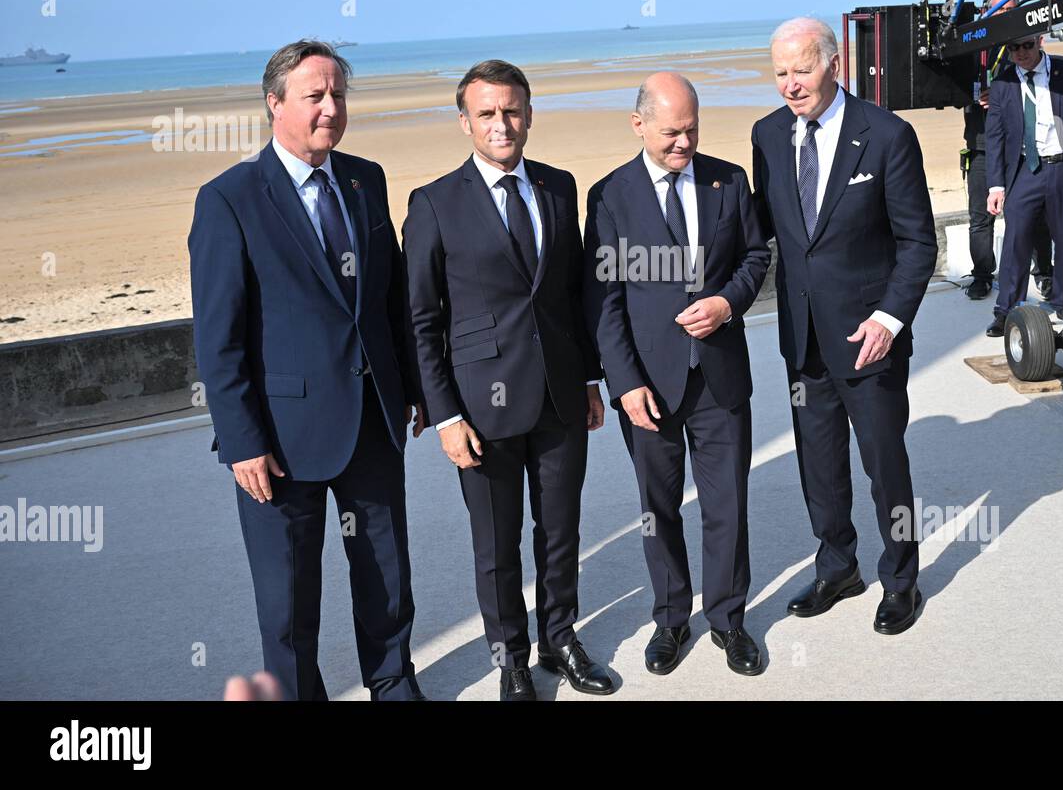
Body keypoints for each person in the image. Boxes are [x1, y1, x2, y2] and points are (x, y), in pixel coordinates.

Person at [189, 39, 424, 701]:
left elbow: (389, 297)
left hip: (373, 419)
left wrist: (409, 388)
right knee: (289, 600)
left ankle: (392, 680)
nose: (330, 108)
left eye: (338, 95)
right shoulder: (229, 199)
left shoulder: (365, 179)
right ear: (274, 105)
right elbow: (219, 339)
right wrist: (242, 443)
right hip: (279, 438)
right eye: (314, 96)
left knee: (385, 573)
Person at [403, 59, 610, 702]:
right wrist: (443, 415)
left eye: (512, 110)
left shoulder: (558, 185)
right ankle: (511, 660)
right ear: (464, 120)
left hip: (560, 395)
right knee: (496, 544)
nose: (502, 124)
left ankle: (560, 639)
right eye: (487, 113)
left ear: (529, 113)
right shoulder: (434, 203)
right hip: (479, 407)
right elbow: (421, 320)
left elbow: (574, 294)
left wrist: (590, 380)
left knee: (561, 527)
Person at [751, 18, 937, 635]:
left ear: (836, 64)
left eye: (800, 70)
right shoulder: (767, 135)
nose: (789, 85)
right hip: (802, 337)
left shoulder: (886, 136)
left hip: (868, 338)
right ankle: (837, 565)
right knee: (818, 464)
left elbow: (917, 243)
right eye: (780, 72)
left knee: (885, 464)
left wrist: (888, 318)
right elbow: (767, 236)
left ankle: (902, 580)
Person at [584, 73, 771, 677]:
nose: (683, 142)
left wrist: (728, 302)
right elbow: (604, 300)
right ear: (638, 124)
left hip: (719, 377)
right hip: (648, 385)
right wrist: (623, 383)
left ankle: (729, 620)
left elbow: (755, 256)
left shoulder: (729, 179)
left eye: (691, 129)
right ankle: (671, 619)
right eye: (671, 132)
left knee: (729, 505)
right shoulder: (609, 195)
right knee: (656, 509)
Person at [985, 34, 1063, 336]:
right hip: (1025, 170)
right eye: (1013, 47)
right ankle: (1007, 310)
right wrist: (996, 186)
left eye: (1026, 45)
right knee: (1015, 239)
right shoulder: (1003, 84)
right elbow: (995, 137)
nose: (1021, 53)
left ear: (1040, 41)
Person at [961, 0, 1054, 301]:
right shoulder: (972, 46)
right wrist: (977, 94)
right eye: (999, 11)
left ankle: (1044, 273)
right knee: (979, 217)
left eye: (1010, 10)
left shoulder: (1024, 47)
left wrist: (1005, 92)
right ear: (985, 12)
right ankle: (982, 276)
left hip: (1022, 148)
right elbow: (952, 86)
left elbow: (1040, 85)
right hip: (981, 144)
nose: (1005, 17)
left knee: (1034, 216)